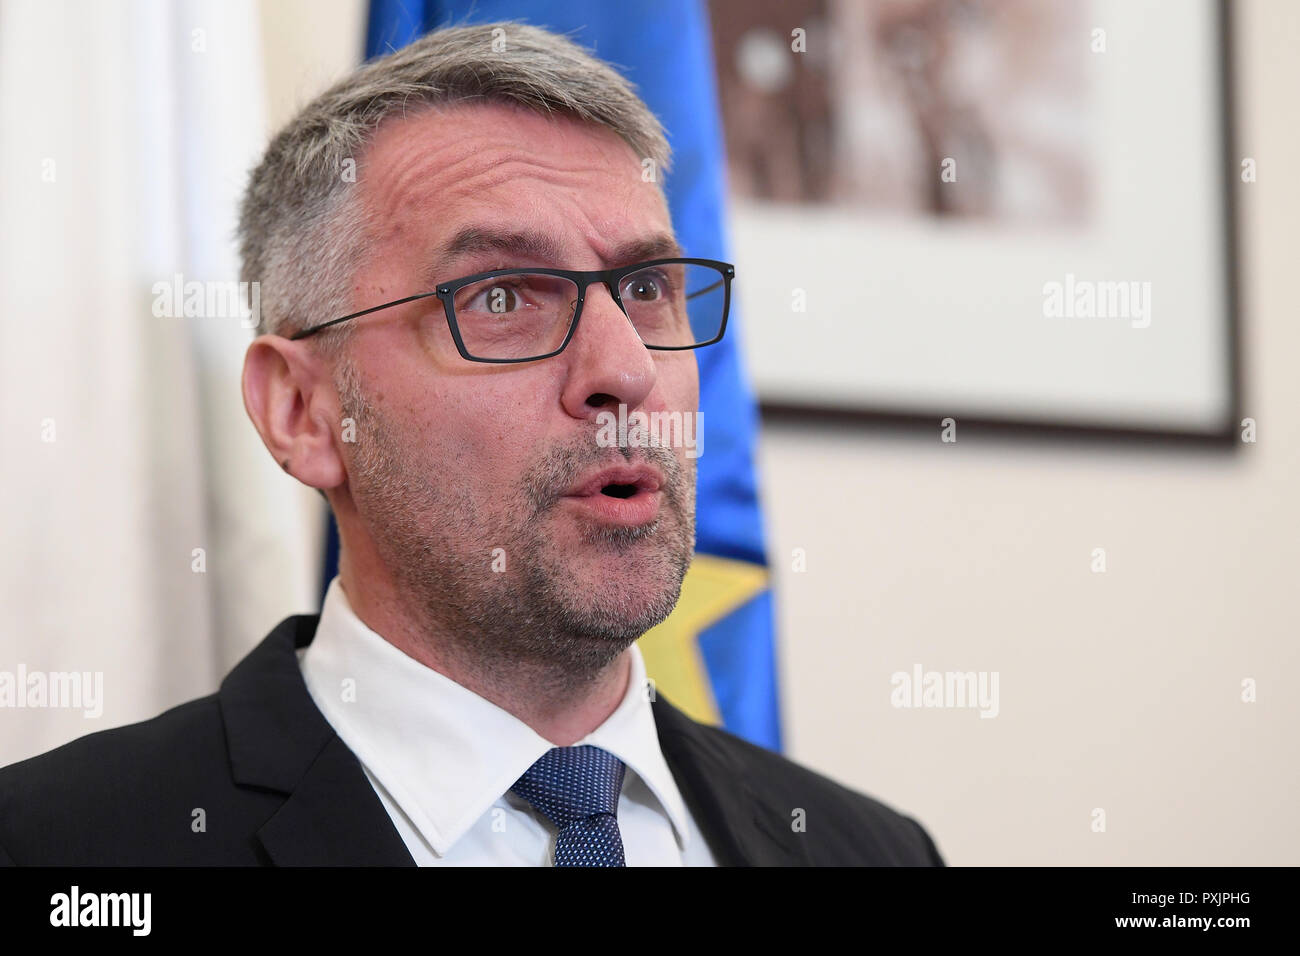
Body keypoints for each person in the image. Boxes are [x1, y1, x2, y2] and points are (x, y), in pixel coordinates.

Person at [0, 22, 942, 867]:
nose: (626, 370)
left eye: (649, 288)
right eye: (500, 299)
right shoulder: (60, 843)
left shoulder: (875, 852)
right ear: (300, 410)